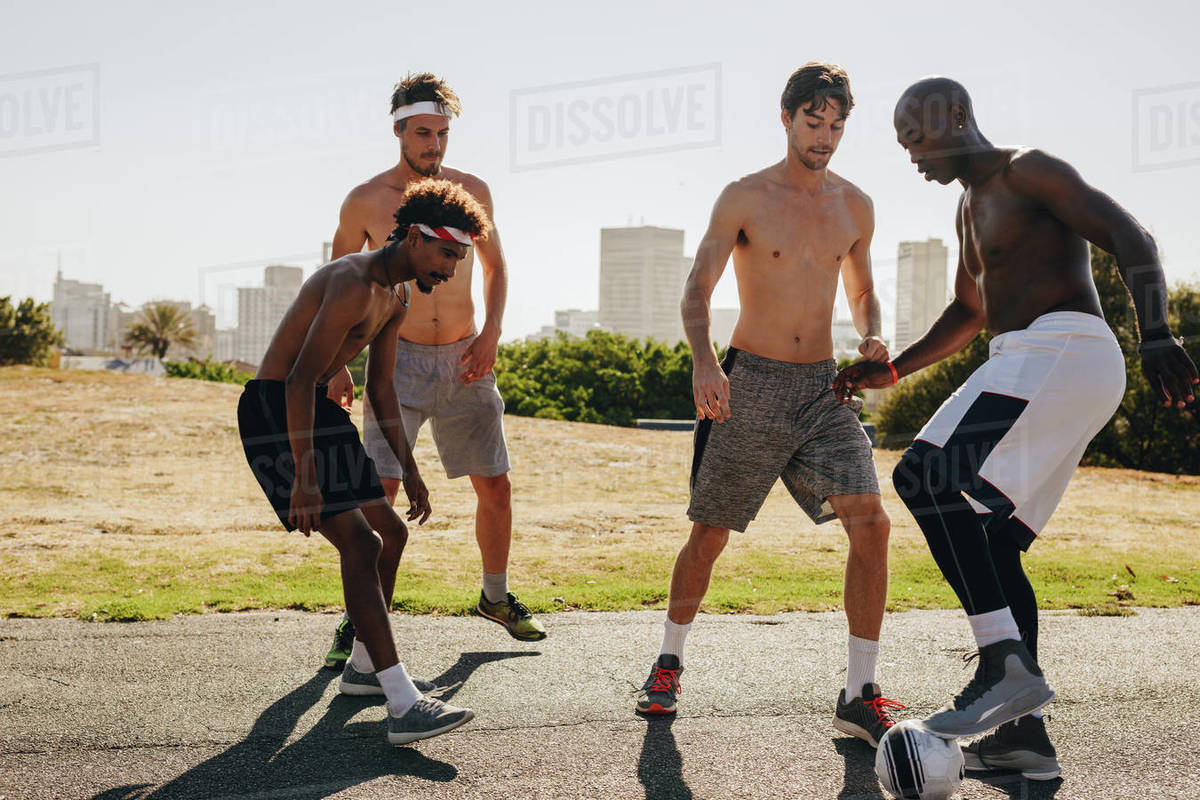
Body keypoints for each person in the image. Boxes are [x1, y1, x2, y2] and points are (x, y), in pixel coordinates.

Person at [834, 76, 1198, 780]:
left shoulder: (1026, 169)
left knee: (922, 473)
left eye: (918, 136)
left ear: (959, 116)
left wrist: (1157, 330)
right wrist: (895, 371)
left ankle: (1003, 665)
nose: (912, 155)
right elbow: (968, 314)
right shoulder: (969, 211)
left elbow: (1131, 232)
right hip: (1036, 360)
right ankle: (1024, 740)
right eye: (903, 143)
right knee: (995, 543)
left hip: (1062, 347)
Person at [634, 63, 906, 749]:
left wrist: (873, 331)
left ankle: (859, 692)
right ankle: (669, 662)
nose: (826, 135)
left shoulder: (856, 206)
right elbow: (697, 287)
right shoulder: (744, 197)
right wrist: (703, 361)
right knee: (711, 532)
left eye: (837, 124)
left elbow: (863, 290)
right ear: (787, 118)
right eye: (814, 121)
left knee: (871, 522)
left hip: (823, 389)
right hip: (747, 384)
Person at [237, 178, 489, 744]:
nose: (451, 269)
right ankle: (404, 705)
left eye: (460, 257)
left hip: (317, 412)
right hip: (277, 411)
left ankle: (364, 671)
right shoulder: (352, 282)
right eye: (447, 253)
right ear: (416, 237)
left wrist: (411, 466)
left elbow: (380, 388)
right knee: (361, 542)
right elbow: (300, 377)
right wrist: (304, 475)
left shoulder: (396, 297)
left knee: (390, 534)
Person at [321, 72, 544, 670]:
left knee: (494, 483)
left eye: (442, 134)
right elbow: (341, 287)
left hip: (468, 357)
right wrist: (338, 363)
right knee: (380, 493)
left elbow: (497, 267)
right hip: (398, 360)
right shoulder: (365, 200)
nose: (434, 146)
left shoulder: (471, 191)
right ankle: (359, 619)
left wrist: (493, 333)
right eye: (423, 133)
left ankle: (494, 597)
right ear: (397, 130)